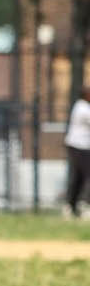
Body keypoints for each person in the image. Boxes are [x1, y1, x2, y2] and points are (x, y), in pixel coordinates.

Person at [66, 84, 90, 218]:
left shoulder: (82, 106)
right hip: (79, 146)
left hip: (81, 147)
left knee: (79, 178)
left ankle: (72, 206)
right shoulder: (83, 108)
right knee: (84, 177)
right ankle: (84, 205)